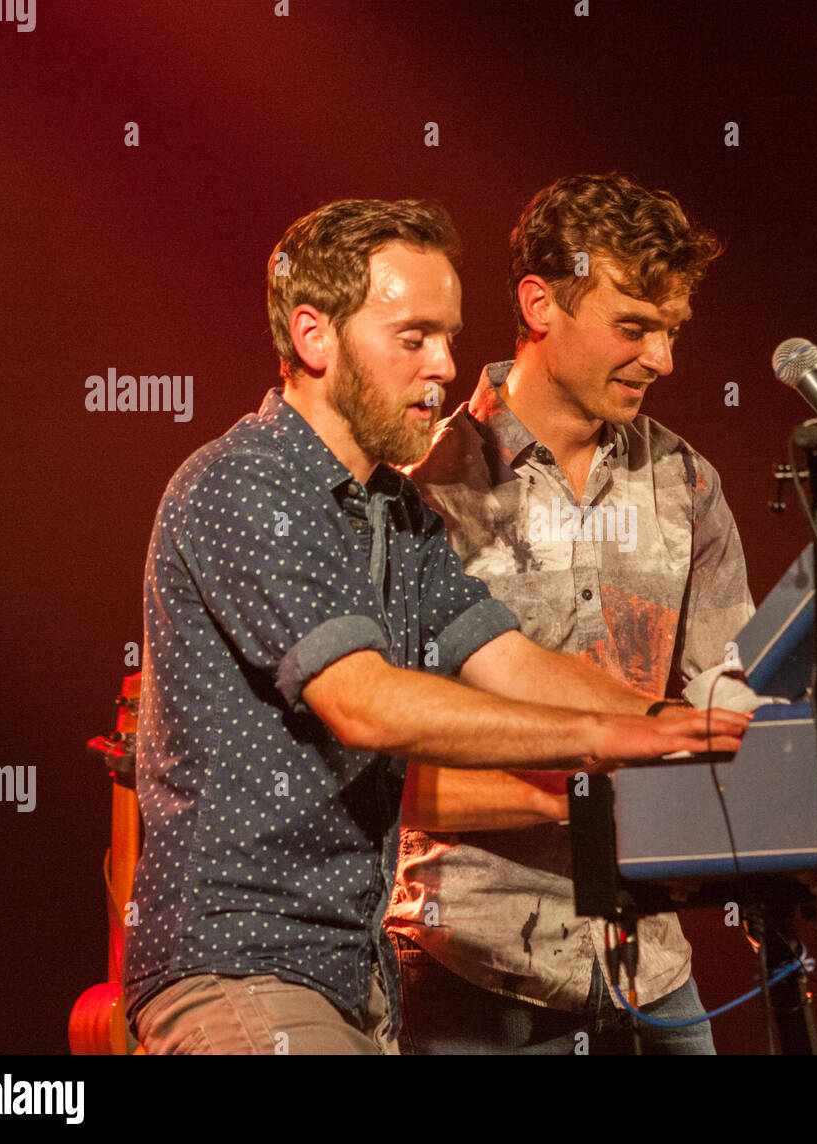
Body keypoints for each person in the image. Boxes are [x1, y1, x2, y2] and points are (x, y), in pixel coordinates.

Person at [121, 197, 748, 1055]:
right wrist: (603, 739)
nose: (448, 365)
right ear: (314, 337)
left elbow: (505, 657)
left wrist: (669, 726)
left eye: (448, 336)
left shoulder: (393, 514)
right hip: (245, 965)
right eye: (414, 338)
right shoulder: (246, 483)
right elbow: (367, 703)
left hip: (355, 975)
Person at [386, 175, 755, 1054]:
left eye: (671, 332)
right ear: (540, 303)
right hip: (471, 960)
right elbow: (377, 775)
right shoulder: (422, 489)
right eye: (634, 327)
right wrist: (579, 791)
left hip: (653, 966)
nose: (661, 359)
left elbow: (726, 702)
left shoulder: (688, 484)